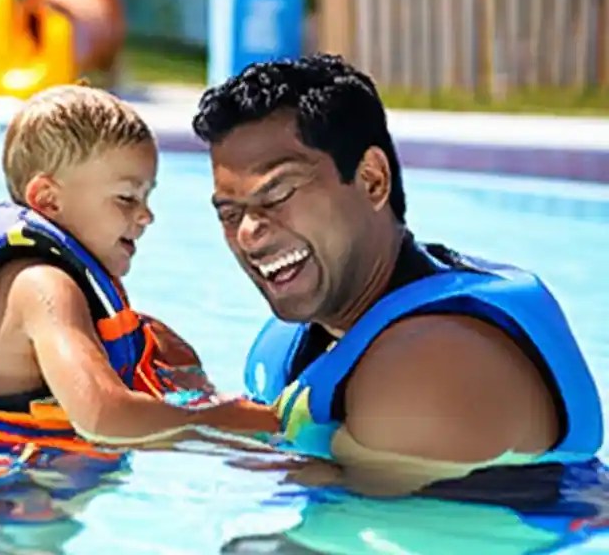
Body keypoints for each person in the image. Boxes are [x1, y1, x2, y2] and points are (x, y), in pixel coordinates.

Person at [190, 53, 605, 498]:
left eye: (279, 194)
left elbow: (353, 530)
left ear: (372, 180)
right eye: (231, 213)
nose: (249, 234)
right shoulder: (317, 330)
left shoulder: (434, 360)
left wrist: (173, 429)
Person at [0, 83, 279, 459]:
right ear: (48, 199)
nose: (146, 216)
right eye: (127, 198)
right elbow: (103, 417)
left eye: (147, 198)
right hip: (3, 491)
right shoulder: (43, 286)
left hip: (12, 466)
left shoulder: (44, 280)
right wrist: (228, 418)